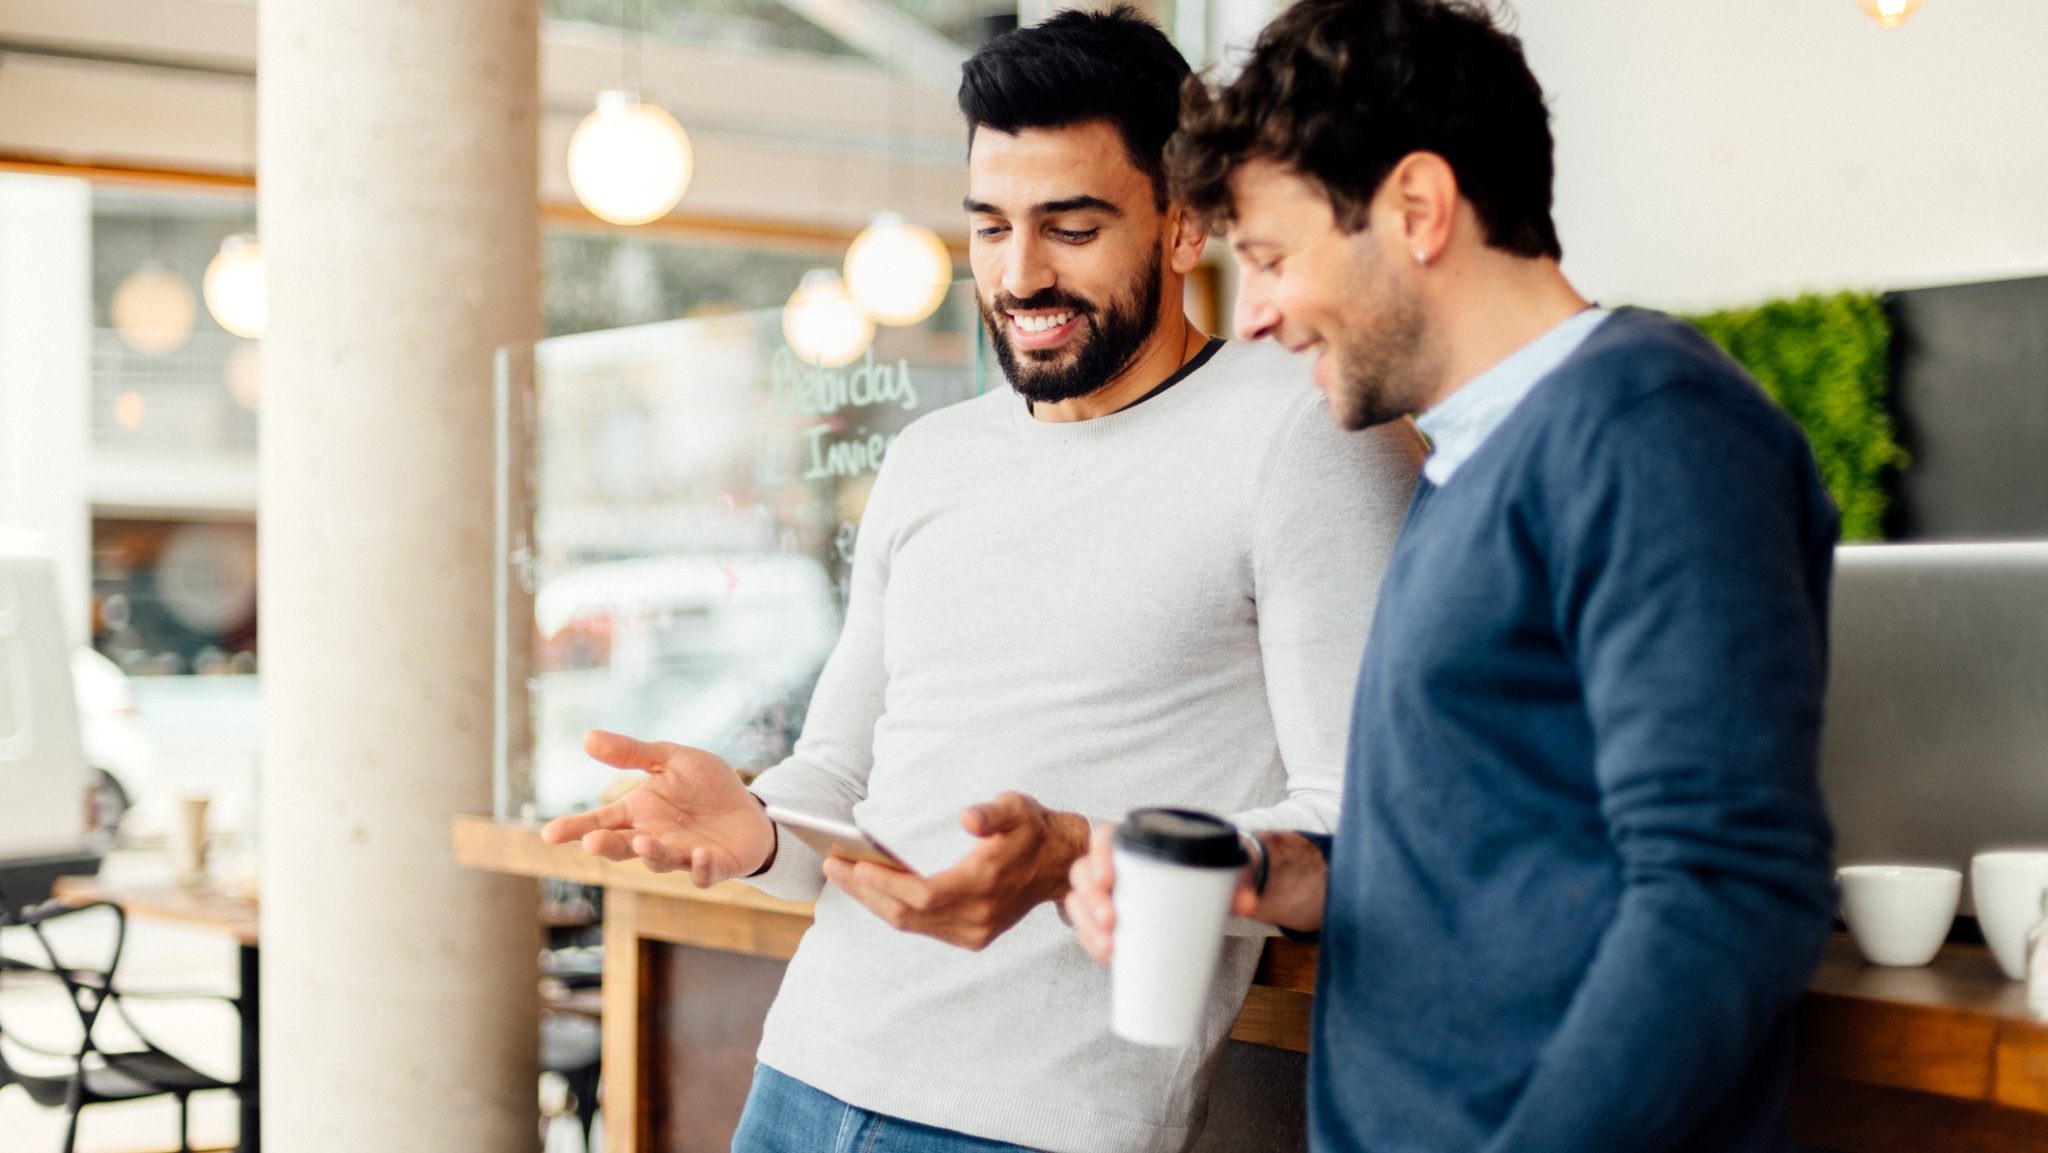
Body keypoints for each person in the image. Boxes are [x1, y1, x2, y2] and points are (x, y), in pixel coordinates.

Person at [540, 8, 1424, 1152]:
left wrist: (1076, 850)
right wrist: (756, 826)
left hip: (1038, 1122)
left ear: (1182, 221)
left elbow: (1355, 820)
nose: (1019, 274)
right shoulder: (932, 456)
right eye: (989, 226)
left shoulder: (1305, 431)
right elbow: (845, 776)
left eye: (1070, 225)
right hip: (801, 1071)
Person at [1066, 1, 1841, 1150]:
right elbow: (1483, 851)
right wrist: (1269, 868)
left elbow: (1725, 888)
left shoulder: (1649, 428)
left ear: (1417, 209)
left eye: (1273, 259)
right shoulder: (1463, 465)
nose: (1261, 313)